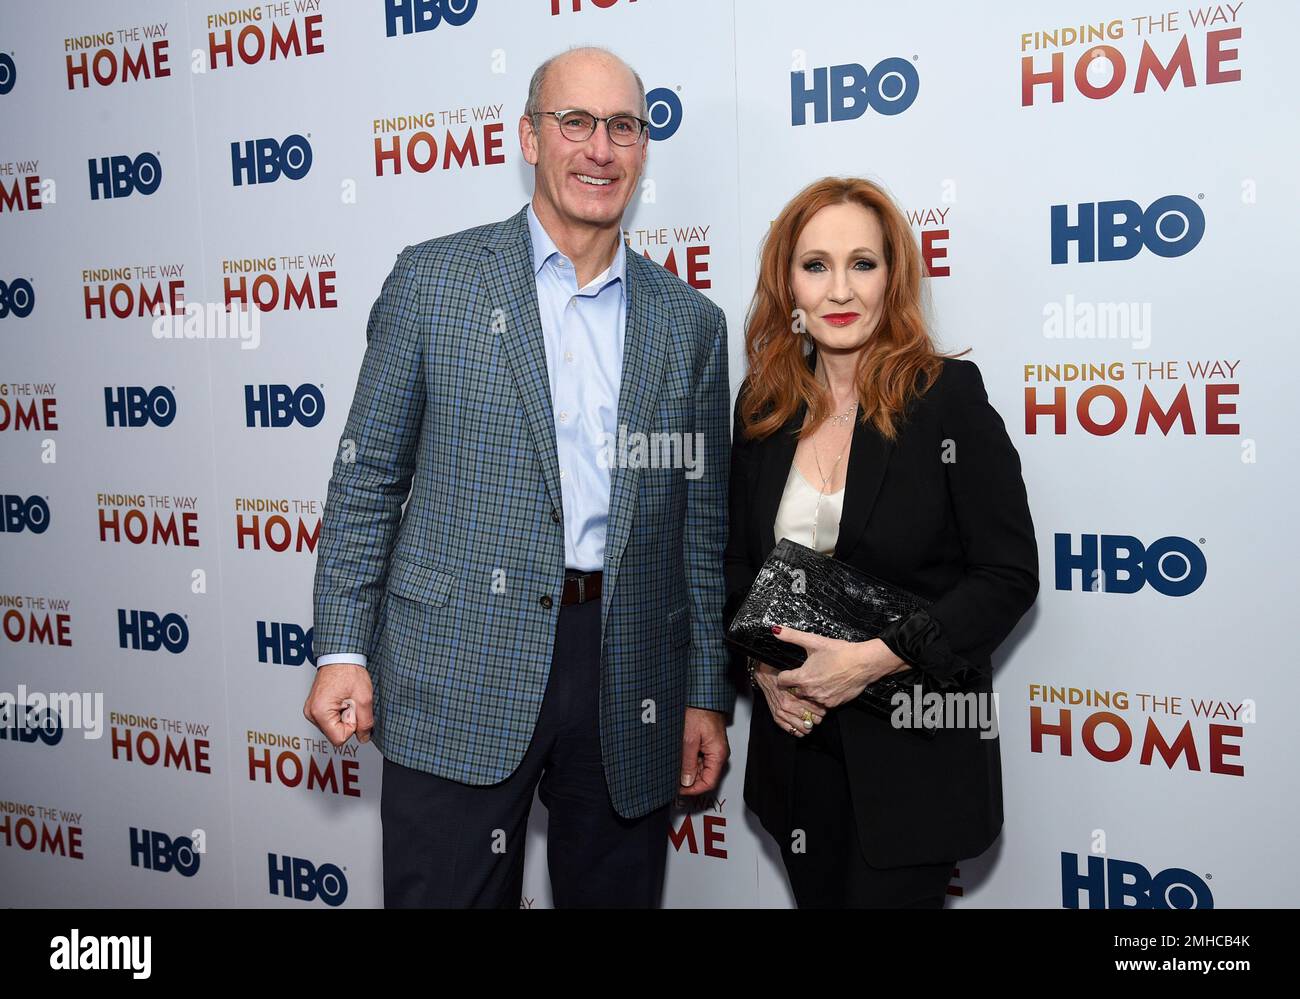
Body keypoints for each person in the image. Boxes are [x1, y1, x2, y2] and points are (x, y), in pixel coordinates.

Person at [304, 46, 732, 908]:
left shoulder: (691, 323)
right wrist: (342, 644)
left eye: (623, 127)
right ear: (530, 137)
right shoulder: (434, 280)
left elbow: (703, 528)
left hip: (628, 669)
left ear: (644, 149)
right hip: (455, 662)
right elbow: (367, 476)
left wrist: (702, 690)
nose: (599, 149)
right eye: (575, 122)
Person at [725, 176, 1038, 908]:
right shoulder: (764, 402)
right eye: (816, 264)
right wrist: (764, 670)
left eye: (862, 263)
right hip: (797, 752)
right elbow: (736, 563)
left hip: (912, 752)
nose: (840, 289)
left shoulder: (946, 396)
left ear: (893, 276)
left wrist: (871, 661)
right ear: (787, 284)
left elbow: (1007, 574)